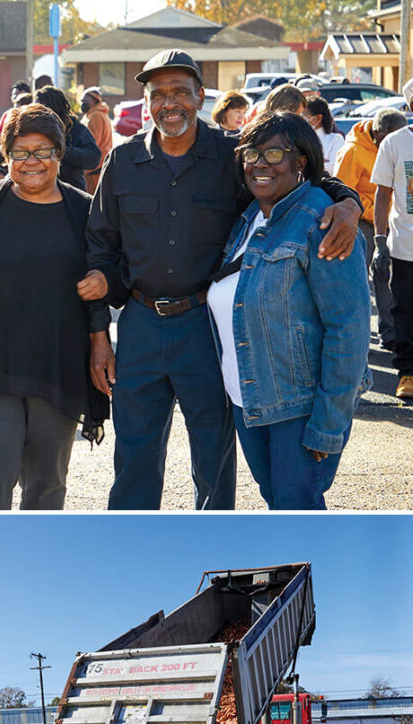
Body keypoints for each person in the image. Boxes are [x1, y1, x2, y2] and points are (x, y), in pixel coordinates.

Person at [81, 49, 360, 510]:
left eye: (180, 93)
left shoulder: (231, 156)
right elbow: (100, 249)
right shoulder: (123, 162)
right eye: (158, 94)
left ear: (200, 97)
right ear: (146, 100)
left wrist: (350, 204)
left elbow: (295, 177)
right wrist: (98, 337)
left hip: (206, 330)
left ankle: (210, 541)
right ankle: (134, 549)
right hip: (140, 326)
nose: (170, 103)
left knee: (214, 459)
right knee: (133, 459)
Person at [0, 103, 110, 509]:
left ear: (59, 154)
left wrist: (105, 289)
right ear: (6, 156)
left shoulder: (83, 211)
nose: (31, 161)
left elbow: (107, 275)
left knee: (47, 487)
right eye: (20, 152)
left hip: (57, 366)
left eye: (43, 151)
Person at [207, 113, 370, 510]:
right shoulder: (249, 216)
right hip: (248, 400)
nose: (260, 163)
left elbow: (348, 330)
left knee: (296, 510)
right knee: (276, 503)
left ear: (301, 161)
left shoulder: (322, 221)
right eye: (252, 153)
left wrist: (329, 424)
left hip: (298, 408)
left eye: (275, 153)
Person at [335, 109, 406, 353]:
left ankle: (390, 333)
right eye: (390, 138)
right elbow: (341, 192)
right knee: (359, 279)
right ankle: (356, 338)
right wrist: (373, 210)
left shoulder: (402, 145)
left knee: (389, 276)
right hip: (363, 221)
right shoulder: (353, 151)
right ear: (377, 134)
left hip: (394, 220)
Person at [371, 78, 413, 399]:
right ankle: (408, 373)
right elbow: (383, 194)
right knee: (405, 310)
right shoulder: (395, 143)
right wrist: (379, 239)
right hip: (405, 246)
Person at [33, 85, 101, 192]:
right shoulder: (32, 130)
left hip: (70, 193)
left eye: (40, 109)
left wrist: (63, 151)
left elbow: (93, 158)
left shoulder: (75, 129)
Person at [80, 86, 112, 194]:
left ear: (94, 100)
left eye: (85, 100)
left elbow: (92, 143)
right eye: (81, 101)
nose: (82, 103)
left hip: (94, 168)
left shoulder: (95, 116)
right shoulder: (96, 114)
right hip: (98, 166)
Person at [305, 97, 344, 170]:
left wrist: (308, 164)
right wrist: (321, 162)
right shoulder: (301, 139)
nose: (303, 119)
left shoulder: (335, 139)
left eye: (306, 116)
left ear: (318, 118)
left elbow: (334, 167)